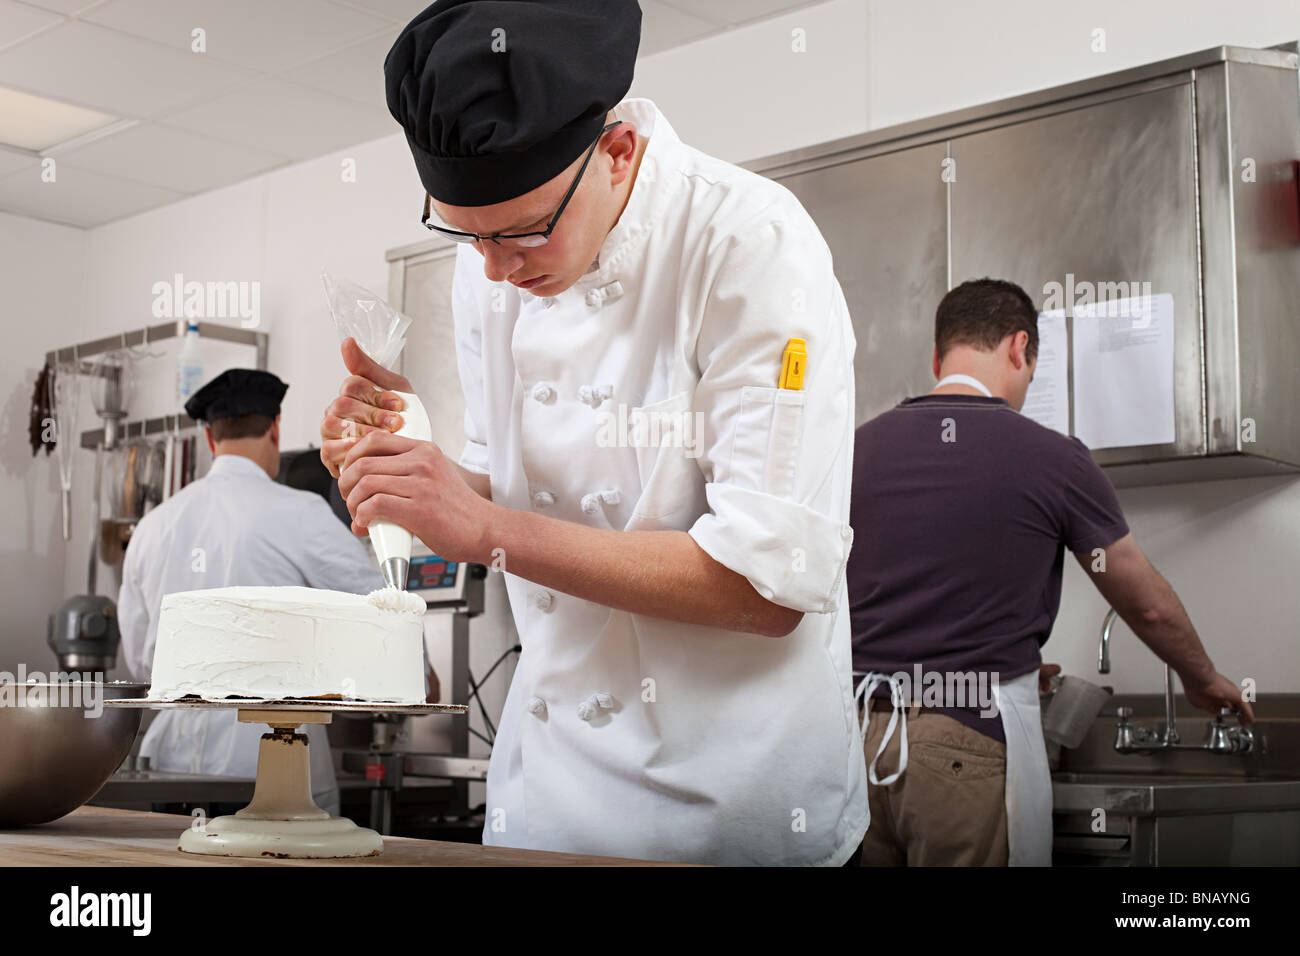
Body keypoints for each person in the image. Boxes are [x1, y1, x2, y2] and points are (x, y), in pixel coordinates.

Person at [319, 0, 866, 865]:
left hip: (726, 804)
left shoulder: (751, 245)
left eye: (525, 230)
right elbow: (498, 487)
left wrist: (487, 531)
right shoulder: (491, 268)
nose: (497, 269)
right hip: (551, 794)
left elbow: (763, 590)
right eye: (467, 236)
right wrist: (404, 461)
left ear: (618, 153)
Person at [846, 278, 1253, 866]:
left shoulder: (856, 452)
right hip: (966, 741)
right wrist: (1201, 677)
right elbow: (1148, 605)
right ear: (1020, 349)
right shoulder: (1052, 457)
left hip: (855, 746)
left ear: (938, 358)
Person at [119, 369, 397, 817]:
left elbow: (139, 660)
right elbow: (380, 617)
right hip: (271, 769)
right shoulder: (301, 512)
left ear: (210, 440)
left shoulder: (153, 526)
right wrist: (417, 670)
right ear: (274, 428)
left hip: (168, 767)